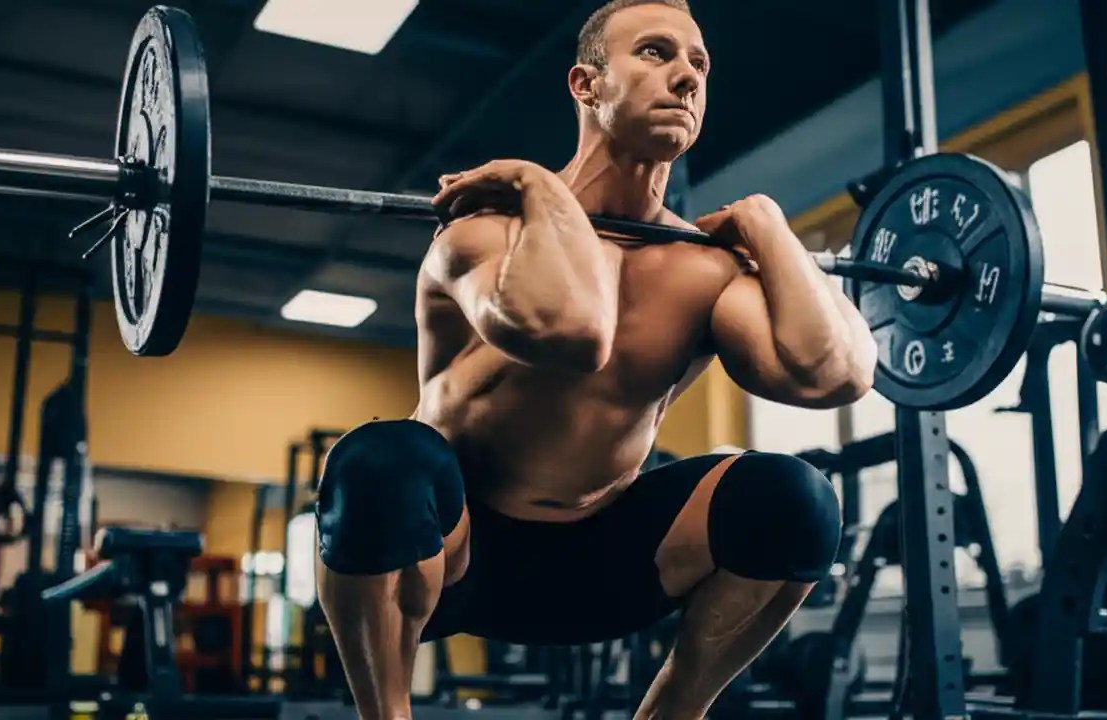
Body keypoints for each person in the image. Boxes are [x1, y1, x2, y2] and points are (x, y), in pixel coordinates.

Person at [313, 1, 877, 717]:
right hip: (457, 555)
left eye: (698, 64)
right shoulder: (483, 235)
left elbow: (834, 374)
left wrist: (770, 230)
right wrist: (537, 184)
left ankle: (673, 710)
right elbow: (571, 331)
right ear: (586, 85)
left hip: (606, 567)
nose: (686, 78)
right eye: (655, 53)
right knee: (375, 460)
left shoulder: (702, 272)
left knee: (797, 500)